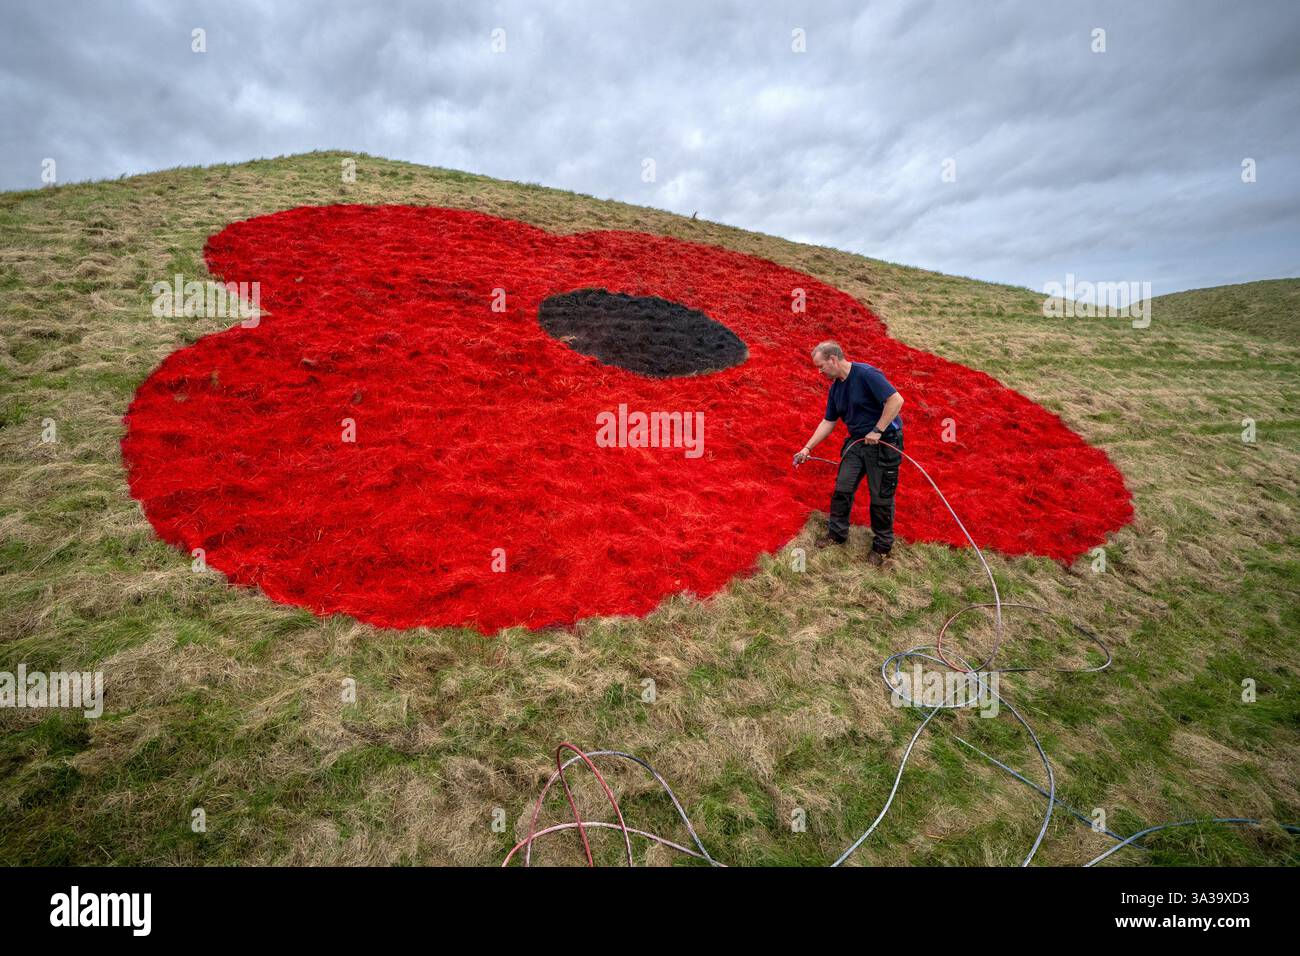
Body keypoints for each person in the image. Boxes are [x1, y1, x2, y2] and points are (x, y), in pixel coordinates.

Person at [794, 341, 905, 566]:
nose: (819, 371)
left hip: (884, 444)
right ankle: (837, 534)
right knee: (842, 488)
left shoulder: (867, 374)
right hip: (856, 443)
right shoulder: (836, 388)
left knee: (881, 497)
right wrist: (807, 447)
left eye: (821, 366)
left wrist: (878, 430)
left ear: (833, 360)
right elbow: (829, 421)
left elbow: (896, 400)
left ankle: (882, 546)